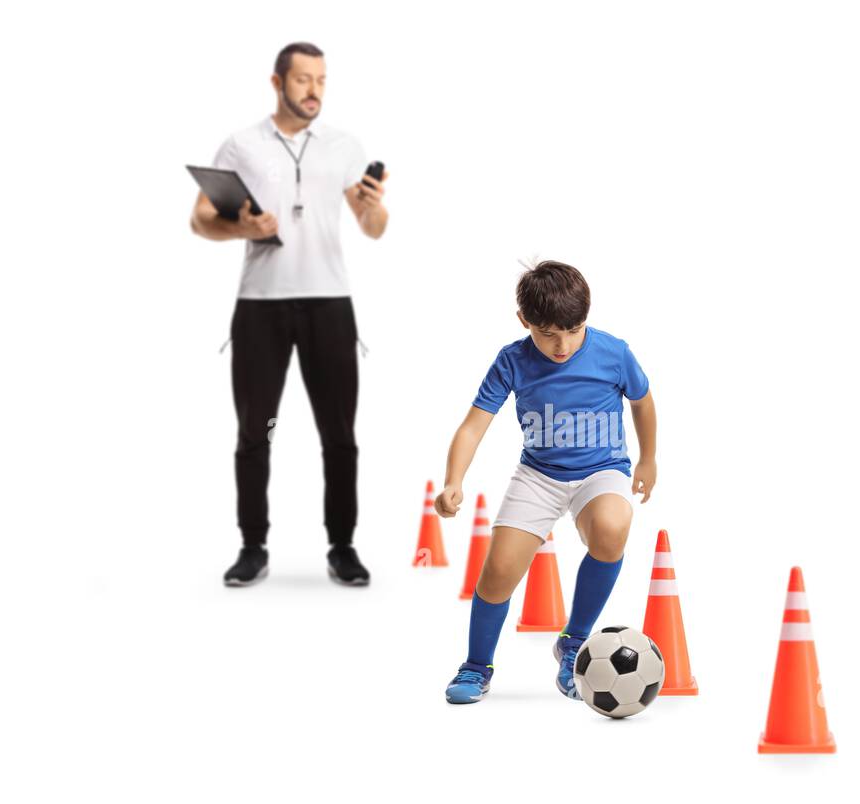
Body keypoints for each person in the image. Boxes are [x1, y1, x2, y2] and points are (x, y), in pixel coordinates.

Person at [190, 41, 389, 587]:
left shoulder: (343, 146)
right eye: (303, 80)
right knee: (254, 431)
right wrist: (241, 229)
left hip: (329, 302)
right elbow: (201, 220)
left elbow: (373, 227)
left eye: (321, 80)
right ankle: (252, 545)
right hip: (260, 306)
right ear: (278, 83)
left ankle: (342, 545)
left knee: (339, 433)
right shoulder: (242, 145)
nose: (314, 90)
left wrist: (373, 209)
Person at [435, 261, 659, 703]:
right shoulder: (512, 360)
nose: (562, 346)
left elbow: (643, 401)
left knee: (612, 528)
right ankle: (476, 666)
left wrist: (648, 459)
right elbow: (473, 425)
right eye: (548, 334)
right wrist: (453, 480)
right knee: (498, 572)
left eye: (573, 331)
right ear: (525, 322)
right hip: (538, 476)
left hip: (602, 471)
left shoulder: (613, 353)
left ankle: (574, 642)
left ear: (586, 319)